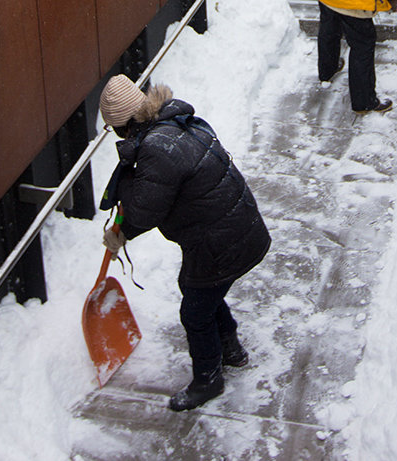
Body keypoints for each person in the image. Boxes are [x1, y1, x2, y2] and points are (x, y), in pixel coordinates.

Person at [98, 74, 271, 412]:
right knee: (200, 290)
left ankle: (208, 379)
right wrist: (124, 228)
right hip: (235, 227)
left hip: (220, 240)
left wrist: (124, 210)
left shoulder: (156, 149)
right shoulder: (173, 125)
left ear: (121, 124)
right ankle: (231, 348)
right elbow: (160, 196)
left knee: (195, 311)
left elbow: (145, 210)